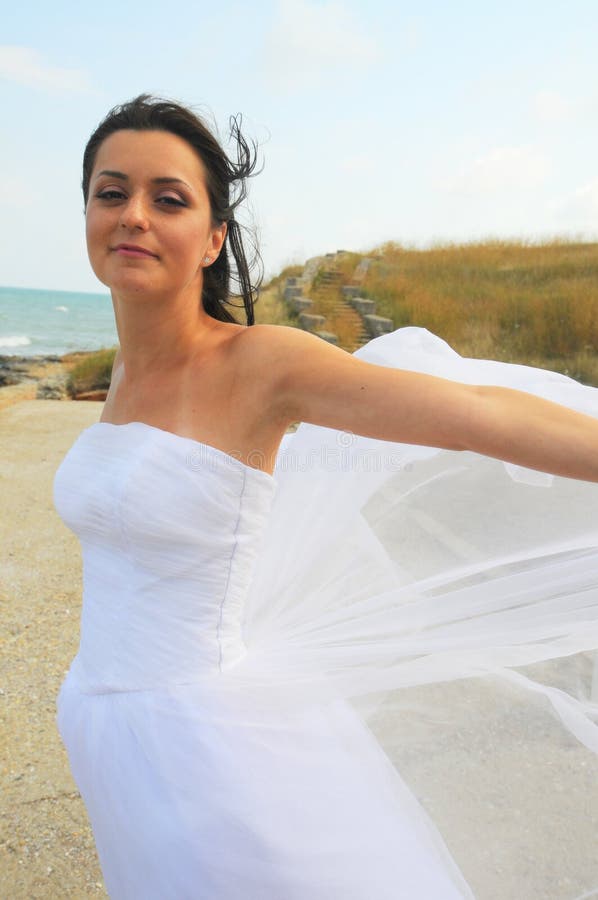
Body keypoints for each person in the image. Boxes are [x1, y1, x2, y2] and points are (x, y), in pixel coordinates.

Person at [53, 94, 598, 900]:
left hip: (206, 744)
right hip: (107, 730)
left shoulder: (259, 364)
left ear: (213, 239)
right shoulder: (126, 374)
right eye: (111, 192)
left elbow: (474, 415)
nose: (133, 214)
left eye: (168, 199)